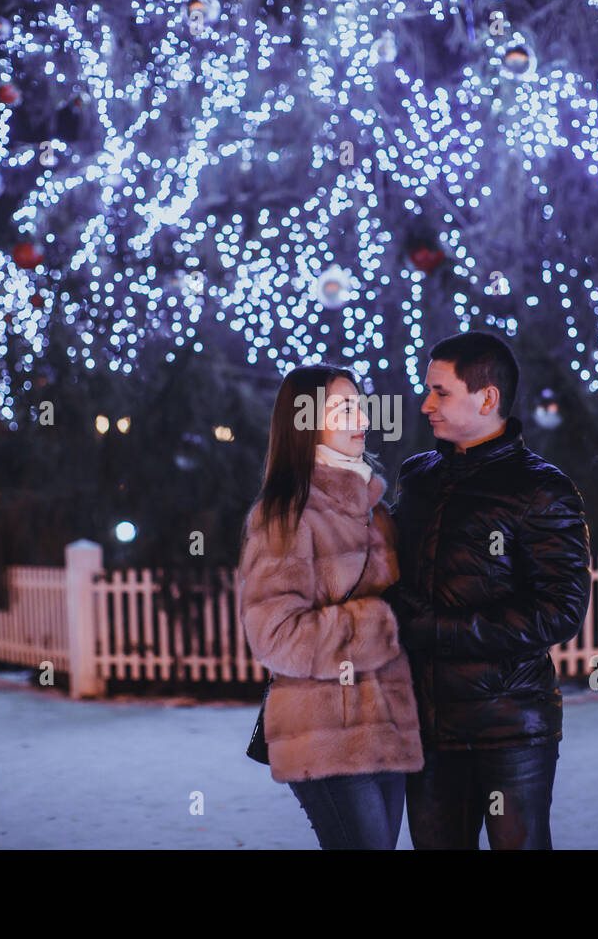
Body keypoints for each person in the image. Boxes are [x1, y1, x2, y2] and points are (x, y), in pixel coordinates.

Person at [379, 331, 592, 849]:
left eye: (440, 392)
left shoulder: (541, 488)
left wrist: (437, 631)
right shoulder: (418, 477)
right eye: (425, 389)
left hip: (510, 729)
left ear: (487, 397)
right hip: (427, 729)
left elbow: (559, 610)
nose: (425, 404)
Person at [237, 364, 424, 849]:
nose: (360, 417)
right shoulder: (284, 515)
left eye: (360, 405)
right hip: (324, 734)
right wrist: (378, 624)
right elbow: (276, 634)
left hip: (388, 729)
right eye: (342, 409)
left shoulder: (374, 509)